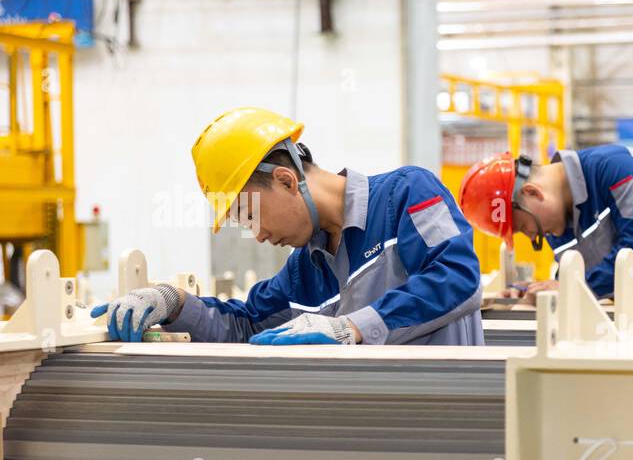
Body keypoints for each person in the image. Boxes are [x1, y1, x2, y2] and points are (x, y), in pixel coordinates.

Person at [92, 107, 483, 346]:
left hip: (449, 429)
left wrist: (353, 327)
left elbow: (458, 277)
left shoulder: (408, 194)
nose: (258, 235)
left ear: (285, 180)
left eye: (250, 215)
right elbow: (244, 324)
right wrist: (172, 301)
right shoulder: (306, 268)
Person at [458, 145, 633, 304]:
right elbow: (584, 277)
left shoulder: (616, 168)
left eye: (522, 227)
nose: (532, 236)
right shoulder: (558, 224)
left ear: (533, 193)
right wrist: (537, 291)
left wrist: (572, 288)